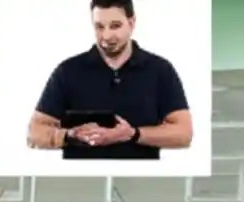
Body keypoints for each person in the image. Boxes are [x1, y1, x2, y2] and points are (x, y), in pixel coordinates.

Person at [26, 0, 191, 160]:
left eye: (115, 26)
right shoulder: (67, 71)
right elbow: (34, 133)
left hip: (140, 176)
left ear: (131, 23)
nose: (106, 36)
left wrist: (133, 134)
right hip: (82, 176)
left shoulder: (160, 70)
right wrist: (69, 135)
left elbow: (184, 133)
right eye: (99, 27)